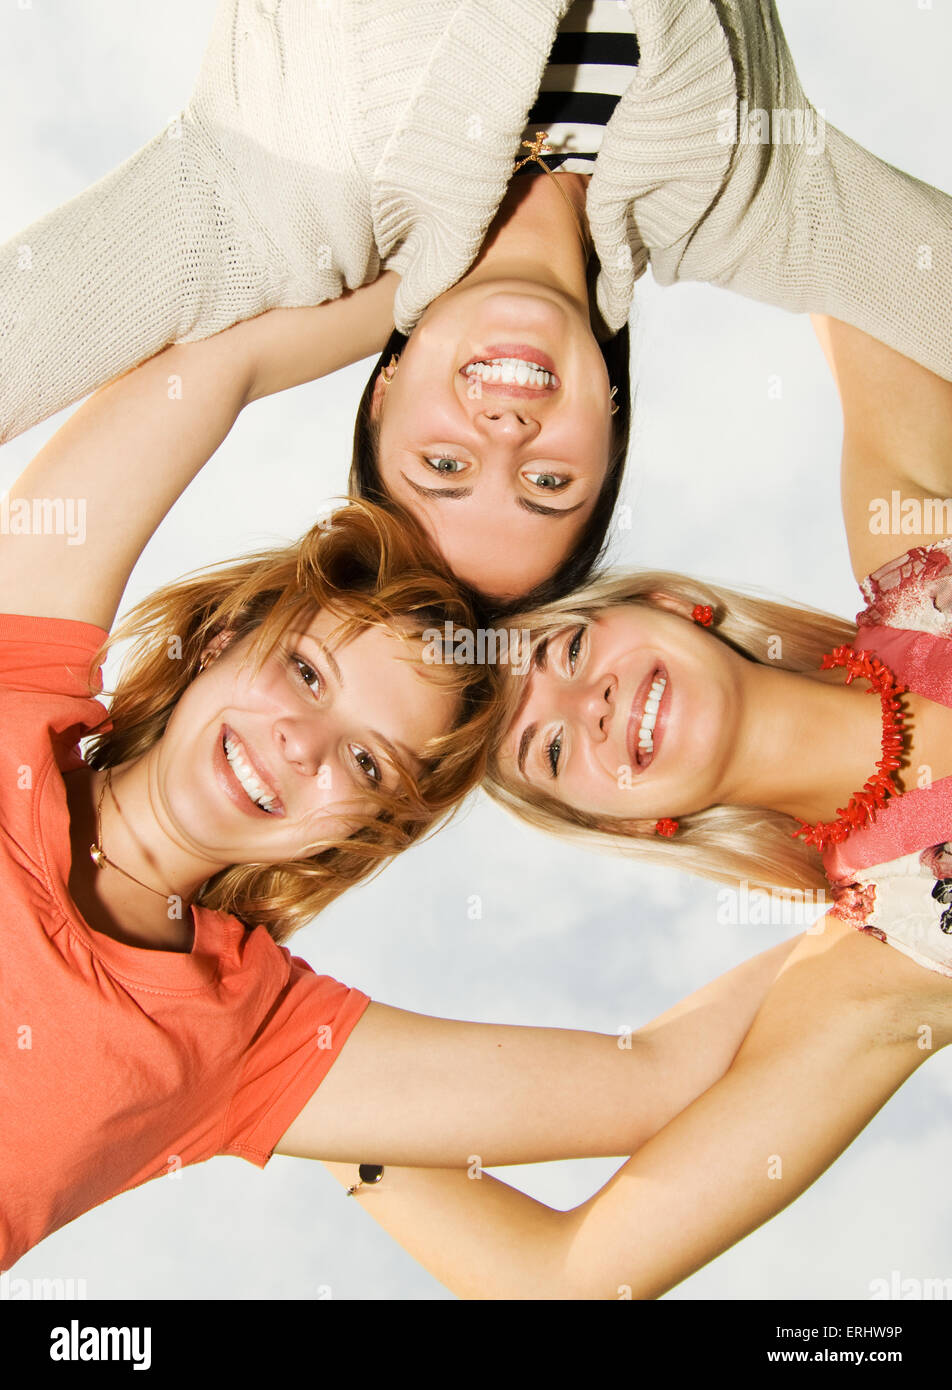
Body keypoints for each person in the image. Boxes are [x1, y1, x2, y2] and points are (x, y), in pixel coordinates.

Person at [0, 308, 811, 1273]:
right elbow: (217, 360)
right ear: (221, 639)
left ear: (358, 835)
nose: (303, 747)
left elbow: (659, 1081)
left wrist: (897, 872)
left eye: (368, 764)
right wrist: (488, 270)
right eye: (305, 673)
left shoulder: (242, 1037)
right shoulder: (14, 688)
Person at [311, 311, 952, 1296]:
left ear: (663, 605)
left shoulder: (915, 538)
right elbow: (561, 1278)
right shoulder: (882, 959)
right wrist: (275, 1065)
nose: (587, 703)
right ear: (623, 819)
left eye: (566, 651)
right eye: (552, 747)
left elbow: (850, 254)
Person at [3, 0, 952, 605]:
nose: (504, 431)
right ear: (610, 433)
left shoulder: (276, 204)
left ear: (380, 399)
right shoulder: (750, 200)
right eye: (548, 484)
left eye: (444, 463)